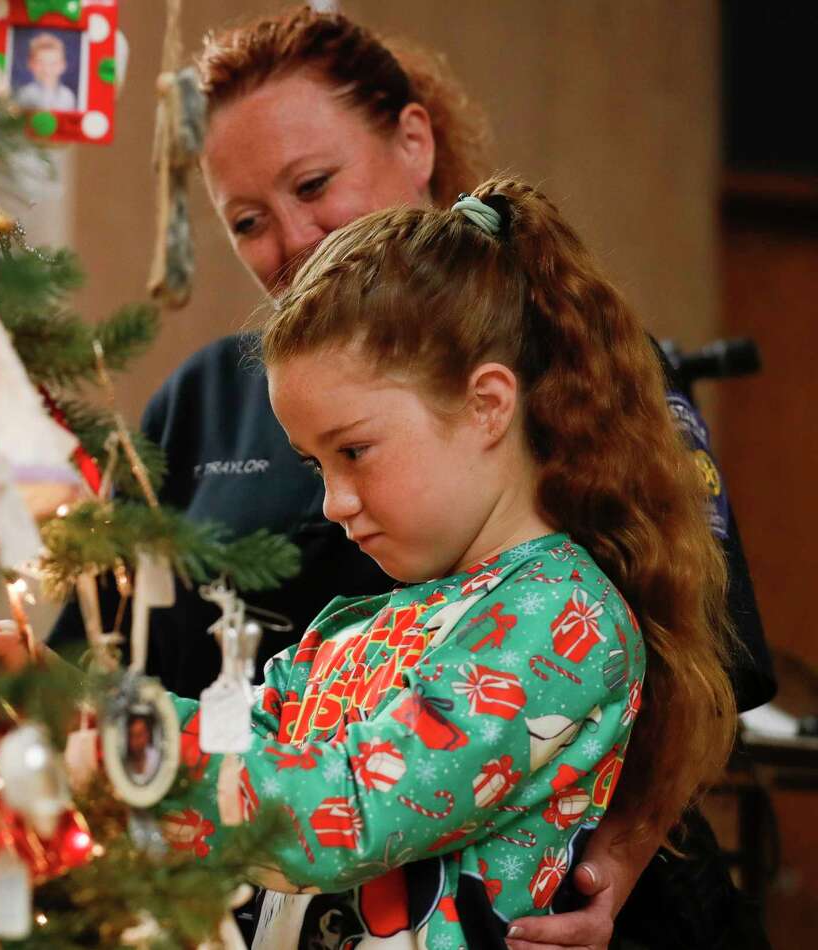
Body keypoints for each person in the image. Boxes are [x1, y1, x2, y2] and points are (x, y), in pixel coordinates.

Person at [50, 7, 775, 947]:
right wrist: (63, 708)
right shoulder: (325, 581)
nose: (292, 236)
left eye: (315, 183)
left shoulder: (558, 587)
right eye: (247, 221)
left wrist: (613, 858)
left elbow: (701, 655)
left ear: (414, 141)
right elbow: (216, 709)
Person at [149, 183, 737, 947]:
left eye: (355, 450)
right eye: (317, 464)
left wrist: (128, 740)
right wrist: (75, 713)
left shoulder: (561, 617)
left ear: (488, 404)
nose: (333, 501)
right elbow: (237, 749)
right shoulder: (350, 627)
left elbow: (351, 814)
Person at [15, 33, 76, 112]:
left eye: (53, 64)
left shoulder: (68, 96)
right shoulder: (24, 95)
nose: (46, 70)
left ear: (63, 65)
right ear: (30, 64)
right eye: (40, 63)